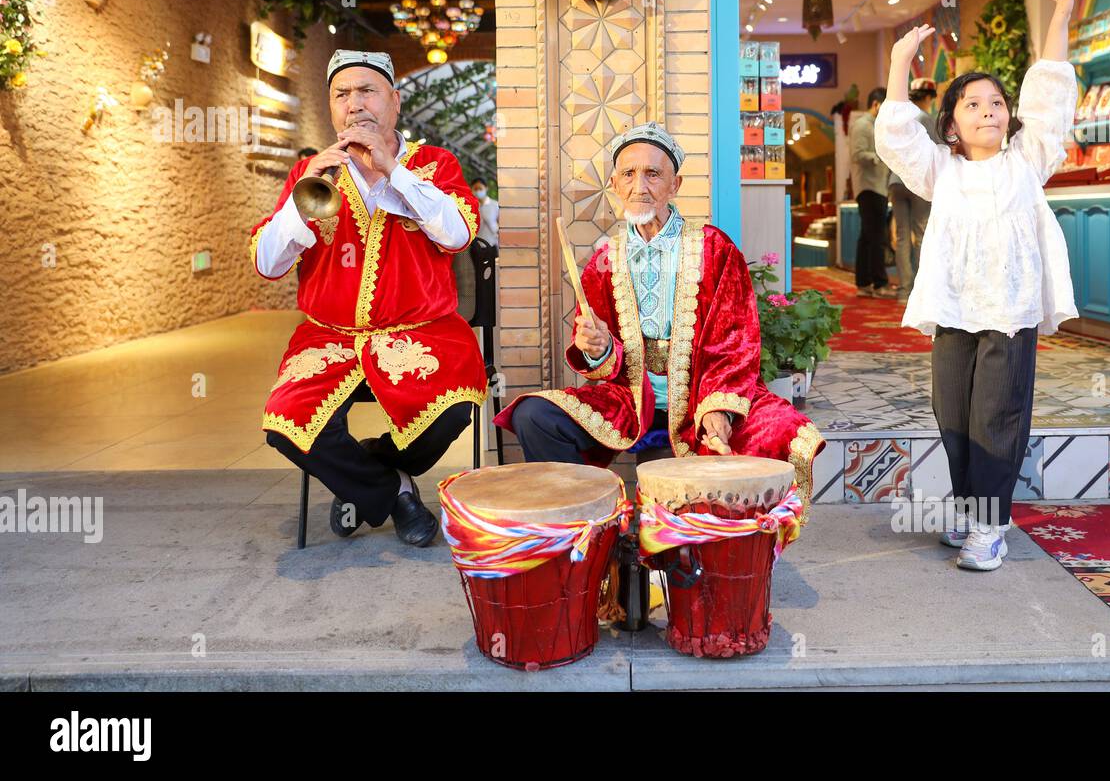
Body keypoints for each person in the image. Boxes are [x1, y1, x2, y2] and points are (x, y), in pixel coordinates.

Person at [494, 121, 825, 510]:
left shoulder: (714, 249)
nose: (640, 186)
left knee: (781, 429)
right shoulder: (603, 262)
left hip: (702, 394)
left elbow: (737, 341)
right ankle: (590, 528)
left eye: (653, 174)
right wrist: (597, 349)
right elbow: (602, 364)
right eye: (629, 174)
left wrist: (717, 409)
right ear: (615, 185)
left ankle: (718, 554)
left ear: (675, 185)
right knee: (534, 415)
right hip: (630, 400)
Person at [874, 0, 1081, 571]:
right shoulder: (940, 170)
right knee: (953, 410)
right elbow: (896, 134)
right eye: (973, 105)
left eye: (996, 103)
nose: (988, 111)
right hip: (956, 306)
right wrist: (896, 63)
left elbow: (1050, 90)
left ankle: (991, 525)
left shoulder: (1029, 160)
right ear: (951, 124)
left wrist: (1061, 13)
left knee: (999, 411)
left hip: (1010, 310)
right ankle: (969, 508)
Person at [250, 49, 488, 547]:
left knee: (451, 409)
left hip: (422, 331)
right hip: (329, 337)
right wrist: (304, 202)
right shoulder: (311, 171)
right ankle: (394, 491)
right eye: (342, 94)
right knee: (286, 425)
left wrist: (393, 173)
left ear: (394, 102)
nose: (354, 104)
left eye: (367, 91)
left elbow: (458, 233)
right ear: (330, 108)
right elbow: (268, 264)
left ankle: (367, 477)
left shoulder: (433, 164)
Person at [887, 79, 938, 302]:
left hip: (896, 181)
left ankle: (904, 290)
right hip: (917, 182)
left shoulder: (901, 119)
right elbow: (938, 151)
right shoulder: (927, 120)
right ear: (928, 97)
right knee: (921, 235)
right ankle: (920, 290)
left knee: (902, 237)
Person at [850, 87, 895, 298]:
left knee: (868, 237)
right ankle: (879, 284)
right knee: (877, 236)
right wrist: (878, 157)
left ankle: (864, 282)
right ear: (876, 104)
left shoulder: (876, 125)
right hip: (868, 186)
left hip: (877, 186)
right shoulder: (862, 125)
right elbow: (857, 154)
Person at [469, 177, 499, 246]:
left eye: (480, 188)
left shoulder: (495, 205)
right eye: (475, 189)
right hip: (476, 245)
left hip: (493, 243)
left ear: (486, 188)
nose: (478, 191)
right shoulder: (470, 206)